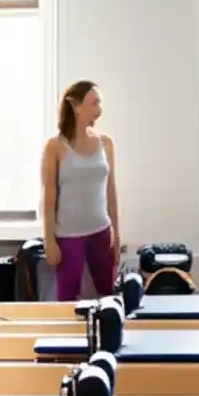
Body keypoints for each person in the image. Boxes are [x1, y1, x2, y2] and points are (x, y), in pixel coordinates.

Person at [40, 81, 121, 302]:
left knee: (108, 296)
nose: (99, 107)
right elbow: (48, 197)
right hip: (68, 235)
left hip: (101, 231)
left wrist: (117, 233)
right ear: (76, 106)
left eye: (99, 102)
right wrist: (49, 240)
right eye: (93, 103)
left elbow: (111, 192)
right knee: (67, 300)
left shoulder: (106, 144)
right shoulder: (54, 146)